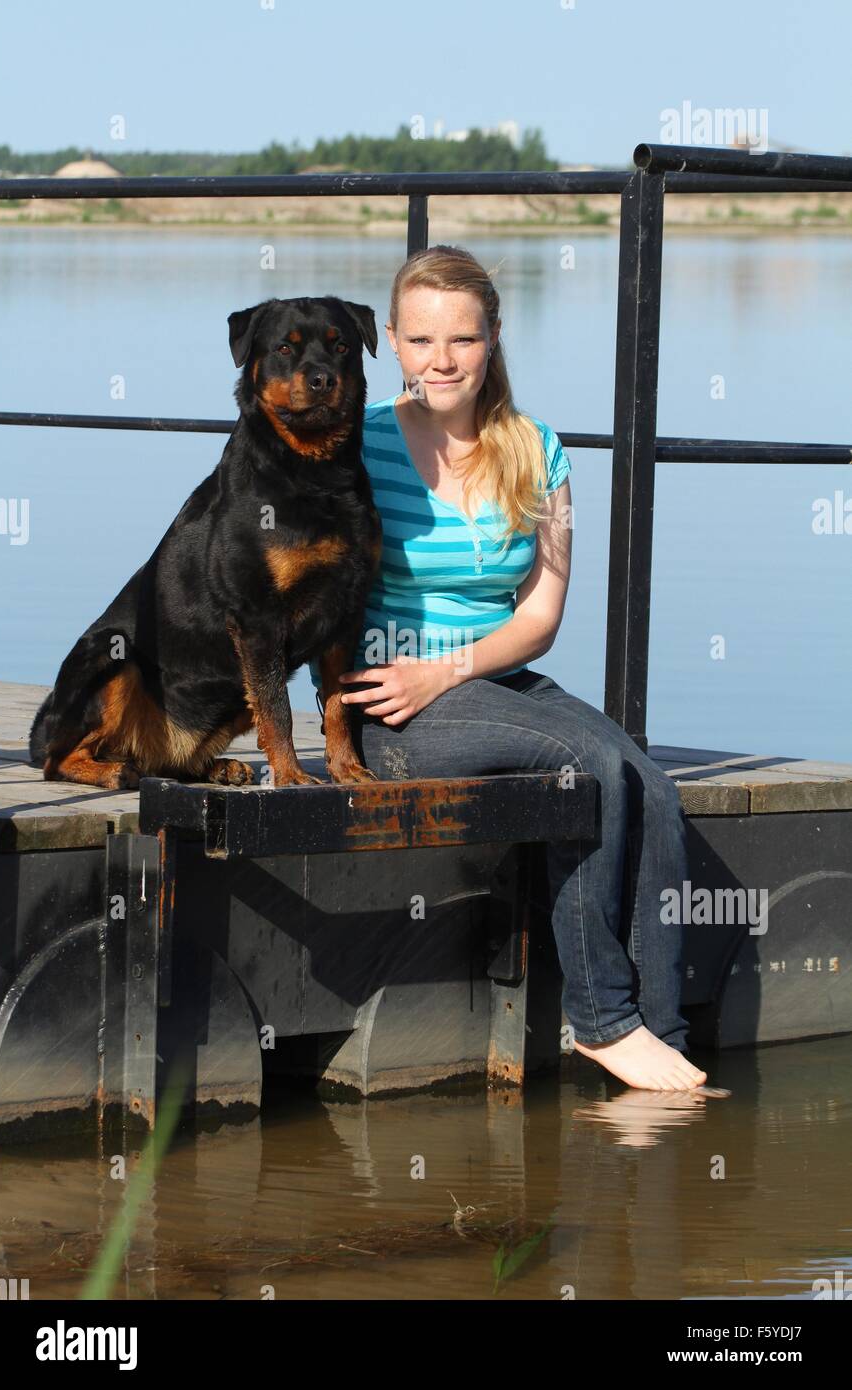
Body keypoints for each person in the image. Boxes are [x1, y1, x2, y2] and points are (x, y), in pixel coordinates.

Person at [320, 243, 708, 1093]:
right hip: (391, 702)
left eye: (462, 338)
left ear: (493, 337)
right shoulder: (356, 444)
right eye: (421, 339)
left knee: (650, 784)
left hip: (490, 681)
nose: (441, 360)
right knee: (587, 760)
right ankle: (603, 1021)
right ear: (392, 341)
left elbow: (539, 618)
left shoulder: (539, 450)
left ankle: (662, 1029)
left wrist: (450, 670)